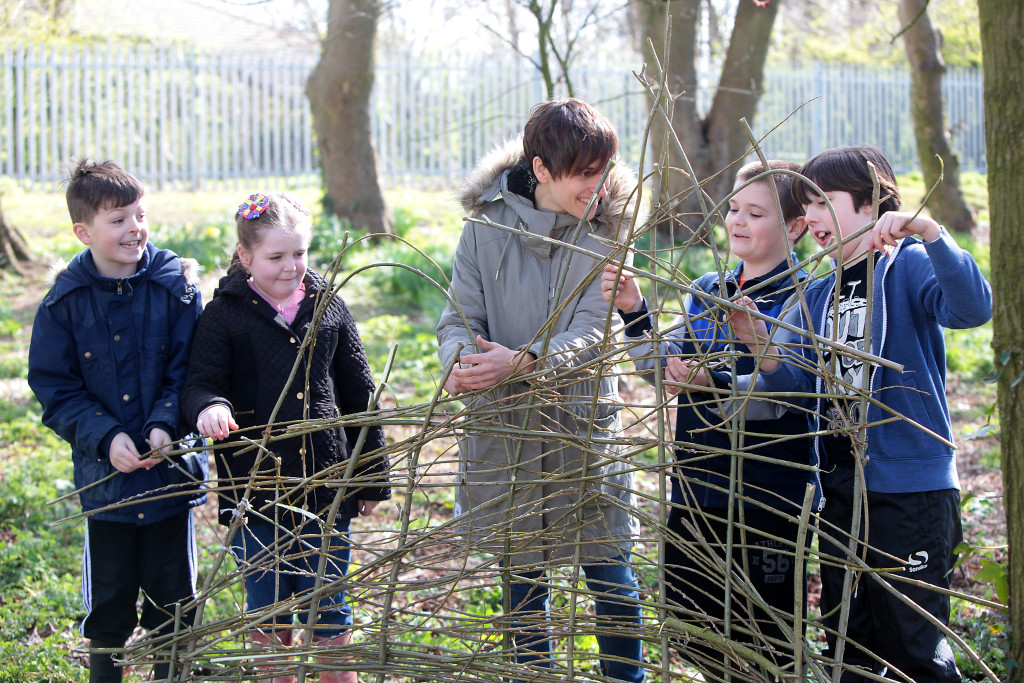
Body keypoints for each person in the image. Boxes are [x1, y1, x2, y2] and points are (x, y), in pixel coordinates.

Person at [720, 145, 992, 683]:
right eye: (806, 205)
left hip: (908, 492)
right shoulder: (816, 295)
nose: (813, 217)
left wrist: (932, 234)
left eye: (824, 202)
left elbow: (971, 307)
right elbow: (794, 380)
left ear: (871, 205)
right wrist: (761, 347)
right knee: (850, 641)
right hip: (843, 488)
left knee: (915, 644)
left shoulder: (907, 266)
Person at [435, 98, 645, 682]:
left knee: (614, 585)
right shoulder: (482, 232)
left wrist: (524, 362)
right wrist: (462, 361)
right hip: (510, 437)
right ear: (542, 169)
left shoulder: (606, 238)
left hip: (583, 439)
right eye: (583, 172)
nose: (597, 186)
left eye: (604, 169)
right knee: (523, 595)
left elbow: (591, 334)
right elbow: (457, 318)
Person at [602, 160, 817, 678]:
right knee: (691, 620)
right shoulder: (707, 289)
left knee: (764, 635)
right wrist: (635, 312)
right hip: (698, 488)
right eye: (733, 209)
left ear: (795, 227)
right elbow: (660, 366)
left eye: (756, 213)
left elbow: (785, 394)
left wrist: (713, 383)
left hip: (768, 498)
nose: (737, 221)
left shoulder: (806, 298)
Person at [181, 192, 390, 683]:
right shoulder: (223, 316)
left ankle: (337, 674)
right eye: (276, 257)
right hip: (255, 492)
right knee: (267, 608)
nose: (290, 266)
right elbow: (200, 383)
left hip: (325, 487)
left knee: (328, 606)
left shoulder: (328, 308)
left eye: (299, 254)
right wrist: (210, 407)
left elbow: (360, 394)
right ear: (246, 257)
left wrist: (371, 477)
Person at [27, 158, 208, 683]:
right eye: (118, 219)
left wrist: (165, 424)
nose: (135, 228)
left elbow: (190, 368)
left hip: (169, 474)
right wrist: (106, 438)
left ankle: (172, 672)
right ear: (83, 231)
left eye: (140, 214)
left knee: (174, 597)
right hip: (105, 485)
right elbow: (55, 389)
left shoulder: (177, 286)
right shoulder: (64, 303)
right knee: (109, 600)